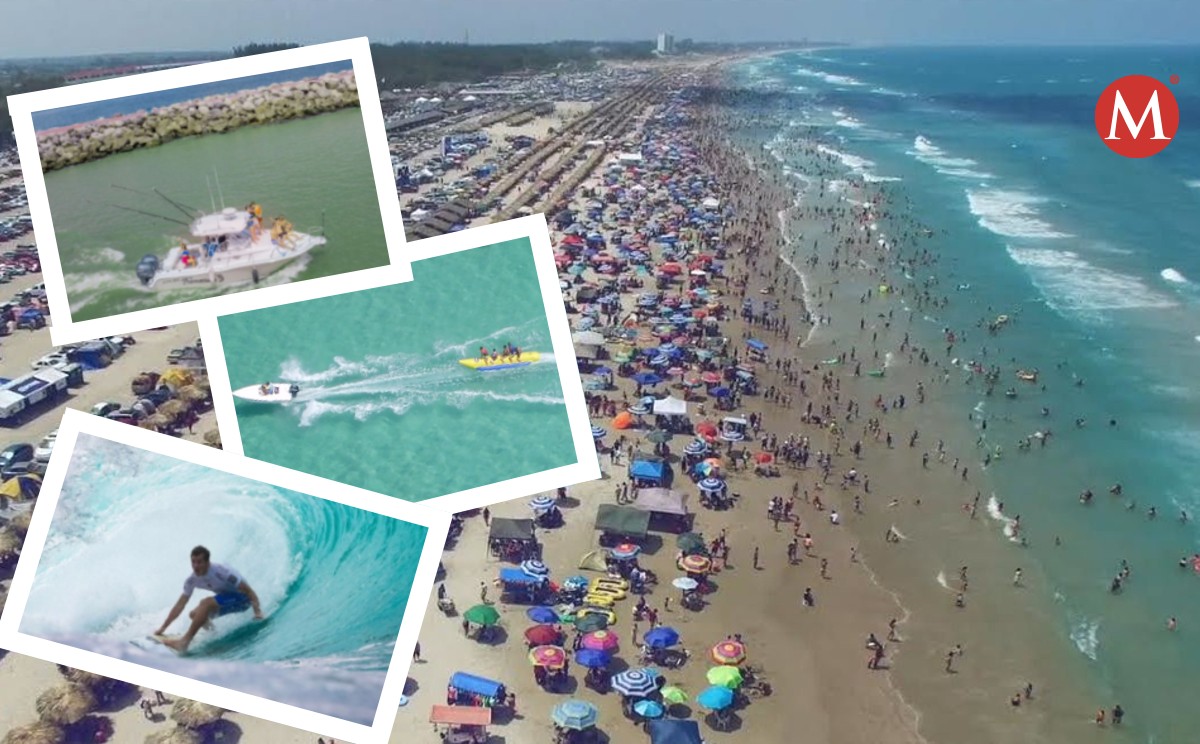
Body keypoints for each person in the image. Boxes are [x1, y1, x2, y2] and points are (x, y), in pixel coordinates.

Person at [155, 546, 263, 653]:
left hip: (243, 599)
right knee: (194, 614)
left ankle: (184, 642)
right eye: (193, 562)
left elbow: (249, 591)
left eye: (199, 562)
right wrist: (163, 628)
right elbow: (180, 605)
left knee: (205, 603)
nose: (196, 566)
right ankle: (215, 637)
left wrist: (257, 612)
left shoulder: (222, 571)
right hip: (228, 601)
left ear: (207, 562)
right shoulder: (192, 580)